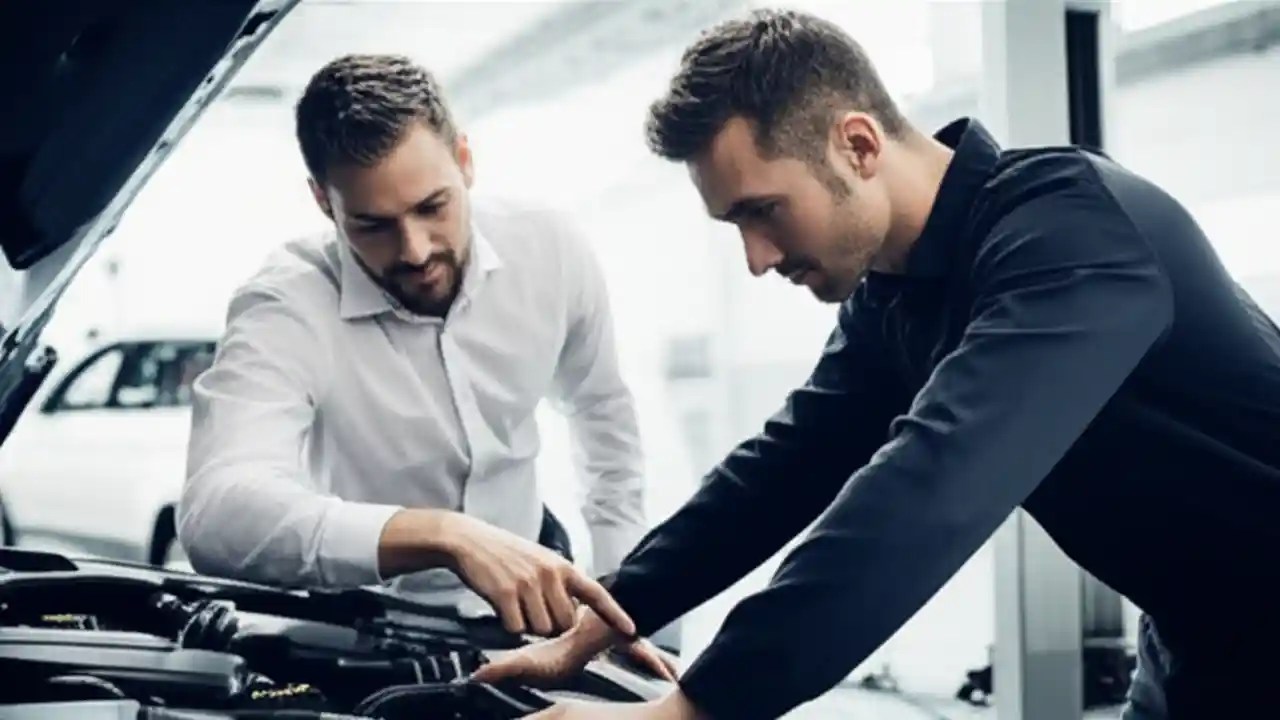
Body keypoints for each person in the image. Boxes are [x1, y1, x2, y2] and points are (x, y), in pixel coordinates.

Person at [474, 8, 1280, 720]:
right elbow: (781, 470)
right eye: (734, 225)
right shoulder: (894, 298)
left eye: (762, 211)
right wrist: (612, 612)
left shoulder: (1069, 233)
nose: (756, 258)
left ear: (857, 144)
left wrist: (699, 707)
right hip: (1199, 644)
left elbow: (930, 488)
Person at [179, 54, 666, 653]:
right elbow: (216, 513)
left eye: (433, 207)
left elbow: (601, 412)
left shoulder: (550, 248)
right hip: (367, 625)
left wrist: (624, 601)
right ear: (323, 203)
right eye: (372, 225)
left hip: (539, 596)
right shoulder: (286, 302)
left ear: (465, 161)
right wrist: (440, 533)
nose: (414, 251)